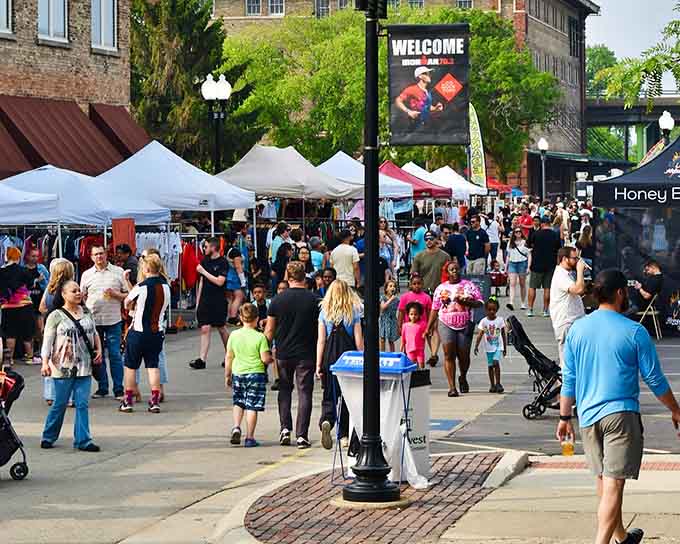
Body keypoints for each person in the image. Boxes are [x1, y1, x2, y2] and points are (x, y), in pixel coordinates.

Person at [557, 269, 680, 544]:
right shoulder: (634, 332)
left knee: (605, 481)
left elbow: (570, 378)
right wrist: (675, 409)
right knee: (614, 483)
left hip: (587, 417)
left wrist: (564, 416)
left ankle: (622, 537)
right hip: (620, 416)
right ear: (621, 293)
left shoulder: (577, 329)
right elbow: (655, 379)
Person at [40, 280, 103, 452]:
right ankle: (48, 436)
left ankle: (83, 440)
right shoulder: (55, 316)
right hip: (62, 366)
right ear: (64, 294)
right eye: (73, 291)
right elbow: (48, 341)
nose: (78, 293)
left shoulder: (87, 312)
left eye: (79, 291)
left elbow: (94, 332)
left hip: (85, 365)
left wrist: (99, 349)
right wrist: (45, 362)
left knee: (82, 404)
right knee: (60, 403)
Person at [265, 262, 319, 449]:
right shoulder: (314, 300)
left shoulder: (278, 300)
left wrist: (264, 351)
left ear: (288, 277)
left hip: (284, 352)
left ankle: (285, 429)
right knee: (305, 392)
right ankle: (302, 435)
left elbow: (269, 330)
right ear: (304, 277)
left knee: (284, 390)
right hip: (306, 352)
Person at [119, 253, 170, 413]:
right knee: (153, 366)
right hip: (156, 332)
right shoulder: (166, 286)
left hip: (138, 332)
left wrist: (133, 306)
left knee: (130, 367)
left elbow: (127, 303)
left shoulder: (140, 287)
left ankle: (127, 401)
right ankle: (154, 400)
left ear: (146, 268)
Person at [316, 279, 363, 450]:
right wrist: (362, 358)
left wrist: (318, 364)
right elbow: (358, 340)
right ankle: (344, 435)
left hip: (330, 358)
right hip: (348, 359)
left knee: (329, 395)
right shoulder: (354, 311)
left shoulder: (325, 312)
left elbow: (321, 340)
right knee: (347, 397)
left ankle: (327, 420)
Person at [427, 260, 483, 397]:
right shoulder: (440, 288)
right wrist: (428, 327)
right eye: (452, 269)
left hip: (465, 323)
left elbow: (480, 302)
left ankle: (463, 376)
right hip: (445, 323)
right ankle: (452, 387)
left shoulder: (469, 286)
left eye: (457, 269)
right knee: (448, 354)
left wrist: (466, 302)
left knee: (463, 357)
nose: (455, 272)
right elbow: (434, 308)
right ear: (447, 272)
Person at [80, 245, 127, 399]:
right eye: (96, 254)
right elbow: (82, 295)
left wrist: (115, 294)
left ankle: (119, 389)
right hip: (94, 322)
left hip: (113, 319)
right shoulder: (87, 274)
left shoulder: (118, 272)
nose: (99, 257)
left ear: (106, 255)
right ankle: (102, 387)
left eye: (101, 253)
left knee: (114, 355)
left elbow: (128, 295)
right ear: (91, 257)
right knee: (97, 356)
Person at [225, 303, 273, 448]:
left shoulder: (234, 335)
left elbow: (229, 356)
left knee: (238, 402)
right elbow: (265, 359)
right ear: (257, 318)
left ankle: (236, 426)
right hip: (256, 374)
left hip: (238, 372)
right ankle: (250, 437)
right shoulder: (260, 337)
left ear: (240, 317)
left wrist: (228, 374)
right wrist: (271, 359)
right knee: (252, 405)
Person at [189, 238, 229, 370]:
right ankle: (202, 359)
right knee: (205, 328)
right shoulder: (204, 261)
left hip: (218, 300)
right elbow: (201, 282)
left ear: (213, 247)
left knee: (221, 328)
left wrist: (204, 272)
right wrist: (198, 302)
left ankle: (230, 355)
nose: (204, 249)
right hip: (205, 299)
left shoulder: (223, 262)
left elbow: (220, 281)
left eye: (206, 246)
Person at [39, 258, 75, 406]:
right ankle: (67, 396)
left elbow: (41, 307)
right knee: (68, 361)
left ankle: (50, 394)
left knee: (49, 358)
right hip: (66, 328)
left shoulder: (50, 288)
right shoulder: (70, 289)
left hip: (50, 326)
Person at [550, 246, 586, 367]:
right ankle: (565, 385)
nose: (577, 261)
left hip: (573, 322)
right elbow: (578, 289)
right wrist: (580, 270)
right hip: (566, 323)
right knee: (567, 364)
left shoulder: (567, 274)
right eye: (574, 258)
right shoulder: (561, 275)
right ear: (565, 259)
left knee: (575, 362)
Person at [0, 247, 36, 366]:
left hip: (7, 306)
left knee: (10, 333)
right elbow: (30, 285)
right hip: (24, 305)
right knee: (27, 333)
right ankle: (30, 357)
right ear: (18, 257)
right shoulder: (23, 270)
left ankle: (9, 359)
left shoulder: (1, 271)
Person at [527, 216, 561, 318]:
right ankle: (545, 310)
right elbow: (559, 248)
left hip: (537, 263)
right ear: (549, 224)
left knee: (532, 287)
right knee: (548, 288)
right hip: (550, 264)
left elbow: (529, 245)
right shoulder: (554, 235)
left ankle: (530, 309)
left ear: (542, 224)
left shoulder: (536, 234)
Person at [397, 274, 433, 364]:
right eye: (414, 284)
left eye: (419, 283)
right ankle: (408, 363)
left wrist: (430, 326)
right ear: (410, 285)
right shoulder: (405, 297)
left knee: (419, 347)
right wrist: (399, 326)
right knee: (408, 346)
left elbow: (429, 313)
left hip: (421, 328)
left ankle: (428, 357)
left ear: (422, 284)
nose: (417, 285)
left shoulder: (427, 297)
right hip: (408, 327)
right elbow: (401, 313)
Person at [474, 298, 507, 393]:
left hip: (498, 346)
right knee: (490, 366)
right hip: (488, 348)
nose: (492, 312)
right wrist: (476, 346)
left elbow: (503, 334)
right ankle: (492, 385)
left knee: (496, 362)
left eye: (494, 310)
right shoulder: (483, 321)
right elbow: (480, 334)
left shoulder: (500, 320)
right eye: (489, 309)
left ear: (497, 310)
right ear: (486, 310)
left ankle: (498, 383)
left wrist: (504, 347)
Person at [23, 247, 50, 364]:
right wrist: (35, 281)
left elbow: (48, 284)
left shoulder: (41, 268)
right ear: (27, 256)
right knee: (30, 327)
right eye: (33, 256)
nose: (35, 258)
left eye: (36, 256)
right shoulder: (23, 269)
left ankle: (42, 350)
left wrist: (42, 281)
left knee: (40, 327)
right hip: (27, 301)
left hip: (40, 300)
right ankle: (31, 352)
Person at [505, 227, 530, 311]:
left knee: (522, 284)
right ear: (514, 233)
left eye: (519, 231)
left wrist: (528, 267)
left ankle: (523, 303)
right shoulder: (510, 243)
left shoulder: (525, 242)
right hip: (512, 263)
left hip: (522, 263)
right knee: (512, 283)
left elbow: (529, 255)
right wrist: (506, 266)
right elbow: (508, 255)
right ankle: (511, 302)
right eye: (516, 232)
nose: (518, 233)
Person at [226, 234, 247, 326]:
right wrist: (243, 281)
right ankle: (233, 317)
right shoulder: (235, 252)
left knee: (230, 298)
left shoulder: (227, 249)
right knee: (239, 296)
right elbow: (238, 266)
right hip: (234, 277)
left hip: (228, 276)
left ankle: (229, 316)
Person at [401, 302, 428, 369]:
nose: (413, 316)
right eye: (411, 314)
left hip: (420, 349)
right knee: (412, 366)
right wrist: (401, 351)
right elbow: (403, 340)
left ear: (419, 315)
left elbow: (428, 333)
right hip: (409, 350)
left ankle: (421, 378)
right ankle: (414, 378)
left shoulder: (423, 324)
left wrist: (425, 334)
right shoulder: (405, 326)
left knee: (421, 366)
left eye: (416, 314)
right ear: (408, 315)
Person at [379, 279, 400, 352]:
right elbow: (383, 307)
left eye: (394, 286)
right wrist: (391, 299)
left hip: (392, 320)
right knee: (382, 339)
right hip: (384, 320)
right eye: (390, 286)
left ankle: (392, 354)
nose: (392, 288)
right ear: (386, 289)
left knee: (391, 340)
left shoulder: (397, 300)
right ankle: (382, 353)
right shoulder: (383, 298)